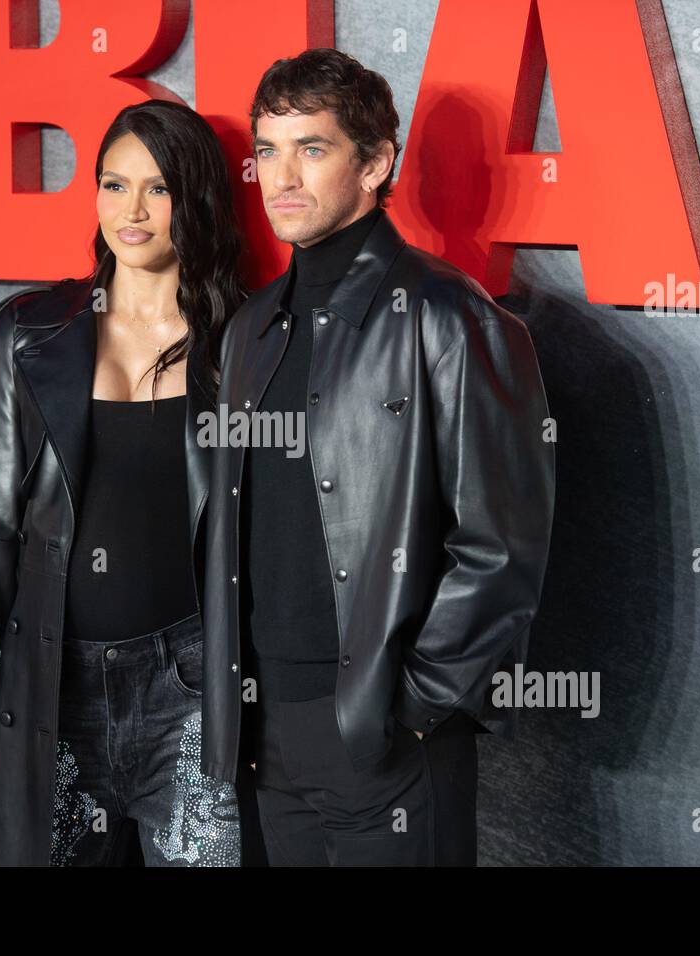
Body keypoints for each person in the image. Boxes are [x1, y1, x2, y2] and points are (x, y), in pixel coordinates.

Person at [198, 48, 557, 866]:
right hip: (262, 734)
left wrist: (417, 704)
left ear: (377, 162)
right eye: (267, 151)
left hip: (385, 736)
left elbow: (500, 546)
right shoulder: (251, 329)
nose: (282, 176)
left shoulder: (450, 318)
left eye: (312, 148)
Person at [0, 99, 248, 866]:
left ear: (195, 200)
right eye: (113, 184)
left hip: (195, 692)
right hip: (51, 690)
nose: (131, 210)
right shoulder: (24, 340)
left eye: (158, 189)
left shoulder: (247, 349)